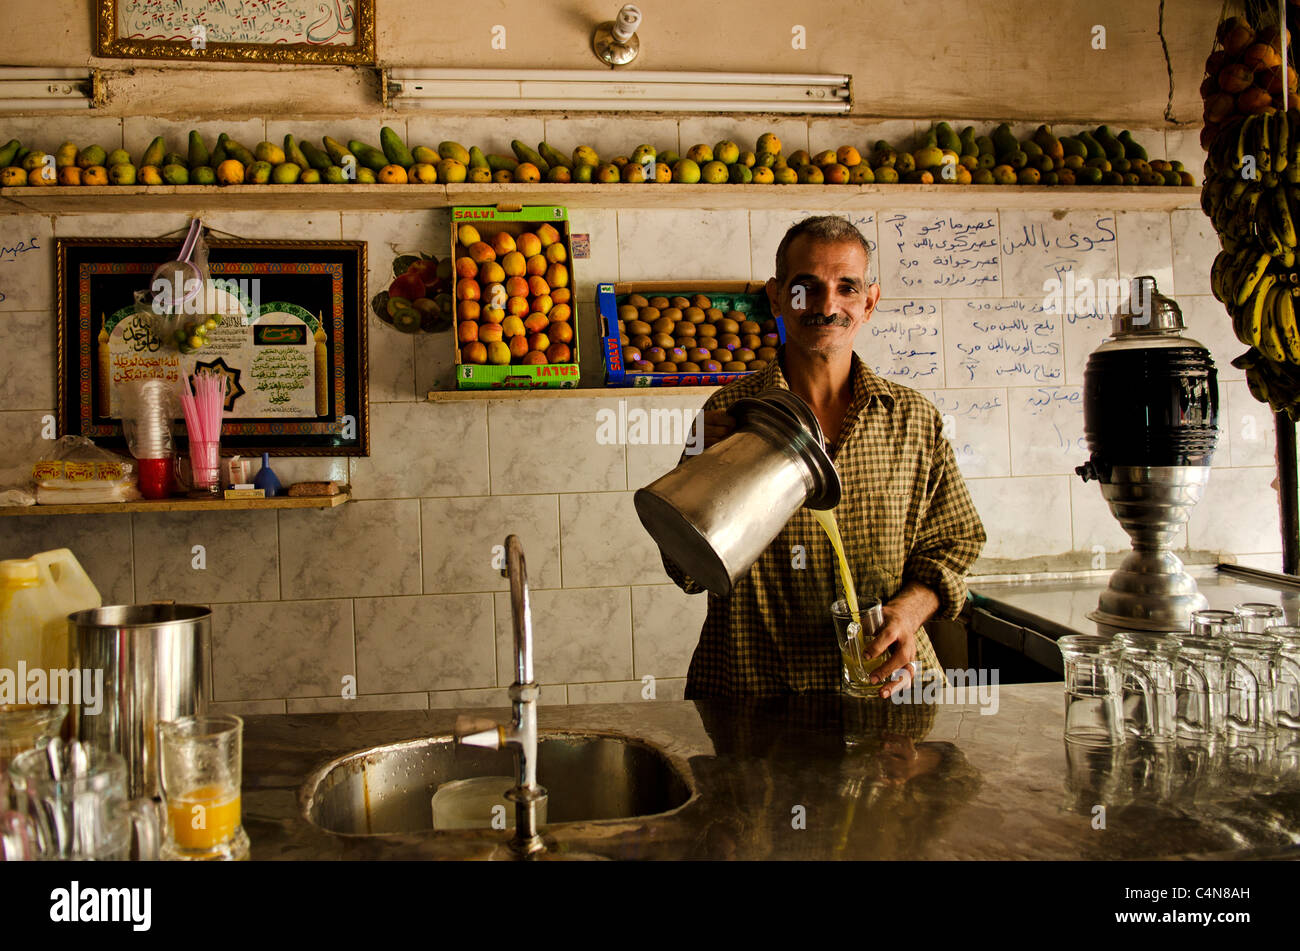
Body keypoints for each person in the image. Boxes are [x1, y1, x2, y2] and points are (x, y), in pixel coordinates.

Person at [656, 215, 986, 700]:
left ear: (869, 302)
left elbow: (954, 548)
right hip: (752, 696)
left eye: (846, 288)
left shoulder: (914, 420)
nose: (827, 305)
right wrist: (693, 472)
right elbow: (687, 573)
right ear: (775, 297)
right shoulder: (730, 417)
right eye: (805, 287)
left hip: (888, 694)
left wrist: (907, 612)